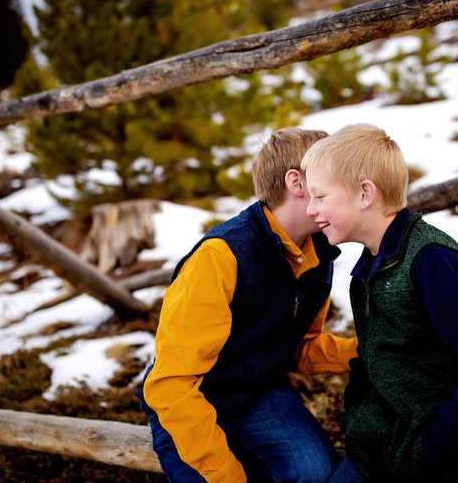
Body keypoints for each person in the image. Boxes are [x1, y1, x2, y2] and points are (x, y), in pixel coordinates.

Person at [301, 123, 458, 482]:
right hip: (384, 449)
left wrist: (435, 445)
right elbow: (379, 356)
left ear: (364, 194)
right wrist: (360, 413)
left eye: (320, 196)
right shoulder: (369, 267)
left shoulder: (434, 261)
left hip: (449, 462)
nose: (310, 210)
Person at [138, 127, 357, 482]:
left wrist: (368, 352)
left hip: (259, 391)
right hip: (190, 401)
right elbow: (172, 383)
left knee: (315, 472)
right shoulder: (221, 256)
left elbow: (301, 348)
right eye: (338, 174)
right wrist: (225, 473)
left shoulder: (319, 252)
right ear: (297, 183)